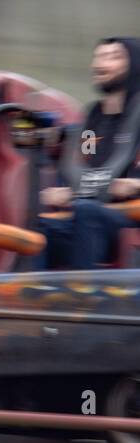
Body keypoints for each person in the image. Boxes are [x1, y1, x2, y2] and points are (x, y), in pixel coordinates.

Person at [39, 37, 140, 269]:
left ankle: (82, 293)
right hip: (89, 213)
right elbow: (84, 165)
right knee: (41, 226)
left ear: (134, 64)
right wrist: (69, 191)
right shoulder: (93, 118)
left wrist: (135, 185)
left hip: (128, 220)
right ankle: (41, 294)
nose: (99, 64)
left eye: (113, 57)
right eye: (98, 56)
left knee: (85, 211)